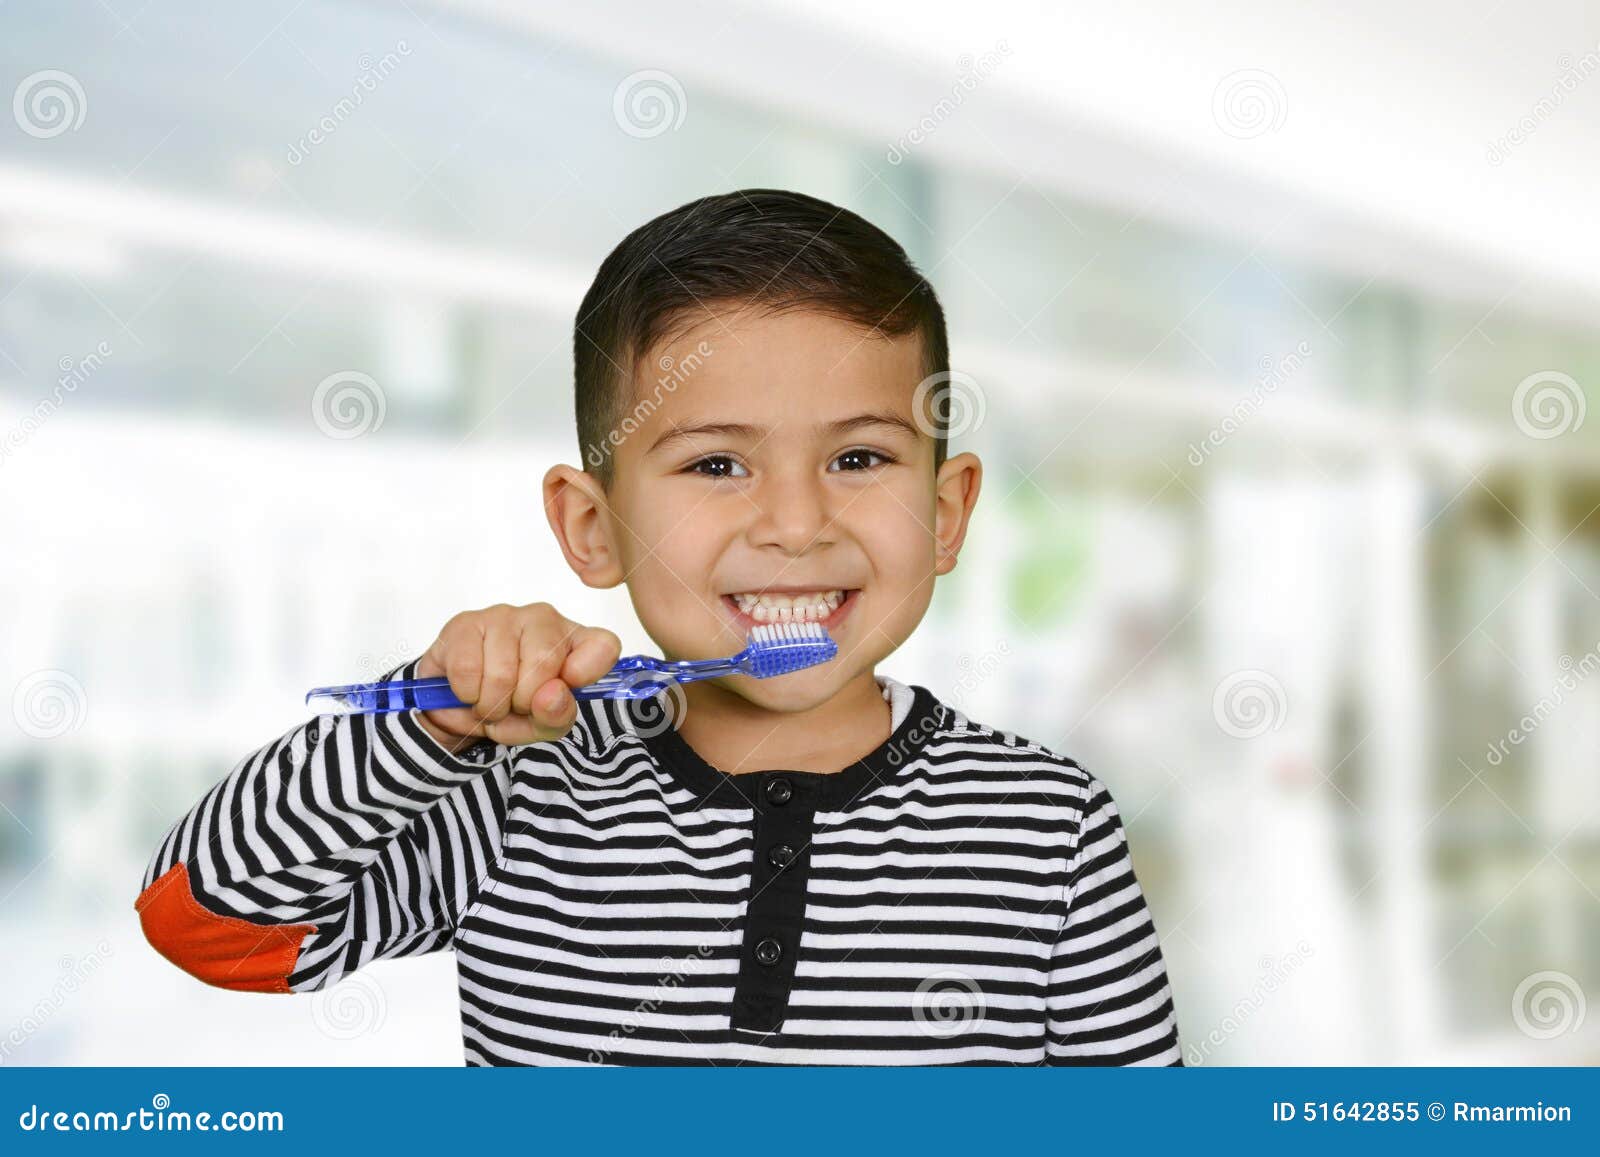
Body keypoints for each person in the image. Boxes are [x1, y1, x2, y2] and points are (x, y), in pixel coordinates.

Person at [134, 189, 1184, 1066]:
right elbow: (206, 921)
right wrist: (428, 725)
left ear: (946, 512)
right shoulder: (520, 792)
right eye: (714, 464)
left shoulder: (1050, 822)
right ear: (591, 527)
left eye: (858, 458)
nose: (793, 524)